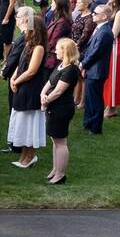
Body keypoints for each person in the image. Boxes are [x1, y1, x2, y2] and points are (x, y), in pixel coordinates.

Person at [7, 8, 47, 169]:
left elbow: (31, 71)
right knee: (21, 122)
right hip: (22, 86)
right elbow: (20, 64)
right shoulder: (28, 44)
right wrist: (13, 77)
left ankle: (30, 155)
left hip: (30, 88)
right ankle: (24, 154)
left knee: (29, 123)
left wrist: (17, 81)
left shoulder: (39, 48)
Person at [42, 37, 82, 184]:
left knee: (60, 142)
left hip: (61, 108)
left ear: (65, 51)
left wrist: (46, 100)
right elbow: (50, 82)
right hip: (53, 107)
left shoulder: (71, 70)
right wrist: (42, 94)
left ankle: (60, 174)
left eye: (58, 49)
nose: (55, 51)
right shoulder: (61, 65)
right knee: (55, 141)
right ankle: (55, 169)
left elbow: (58, 91)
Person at [79, 4, 114, 135]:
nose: (93, 14)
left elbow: (96, 52)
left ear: (104, 16)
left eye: (96, 13)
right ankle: (88, 123)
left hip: (97, 71)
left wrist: (83, 65)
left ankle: (95, 128)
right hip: (92, 70)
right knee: (89, 99)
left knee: (95, 100)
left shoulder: (105, 32)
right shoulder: (100, 29)